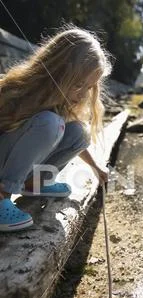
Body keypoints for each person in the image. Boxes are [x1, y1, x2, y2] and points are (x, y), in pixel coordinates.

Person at [0, 24, 112, 232]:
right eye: (79, 85)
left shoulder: (60, 102)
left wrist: (95, 167)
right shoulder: (15, 91)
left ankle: (35, 182)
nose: (83, 94)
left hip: (15, 165)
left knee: (79, 133)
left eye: (88, 88)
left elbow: (76, 140)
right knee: (51, 124)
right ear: (58, 71)